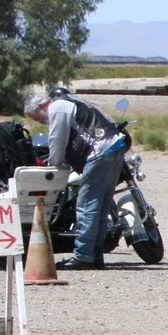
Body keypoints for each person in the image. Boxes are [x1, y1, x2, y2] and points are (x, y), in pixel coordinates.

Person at [23, 86, 129, 270]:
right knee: (101, 205)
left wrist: (53, 167)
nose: (40, 122)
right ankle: (95, 254)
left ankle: (84, 256)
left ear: (41, 107)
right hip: (115, 146)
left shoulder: (57, 107)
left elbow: (57, 140)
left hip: (99, 152)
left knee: (87, 205)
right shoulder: (72, 101)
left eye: (36, 118)